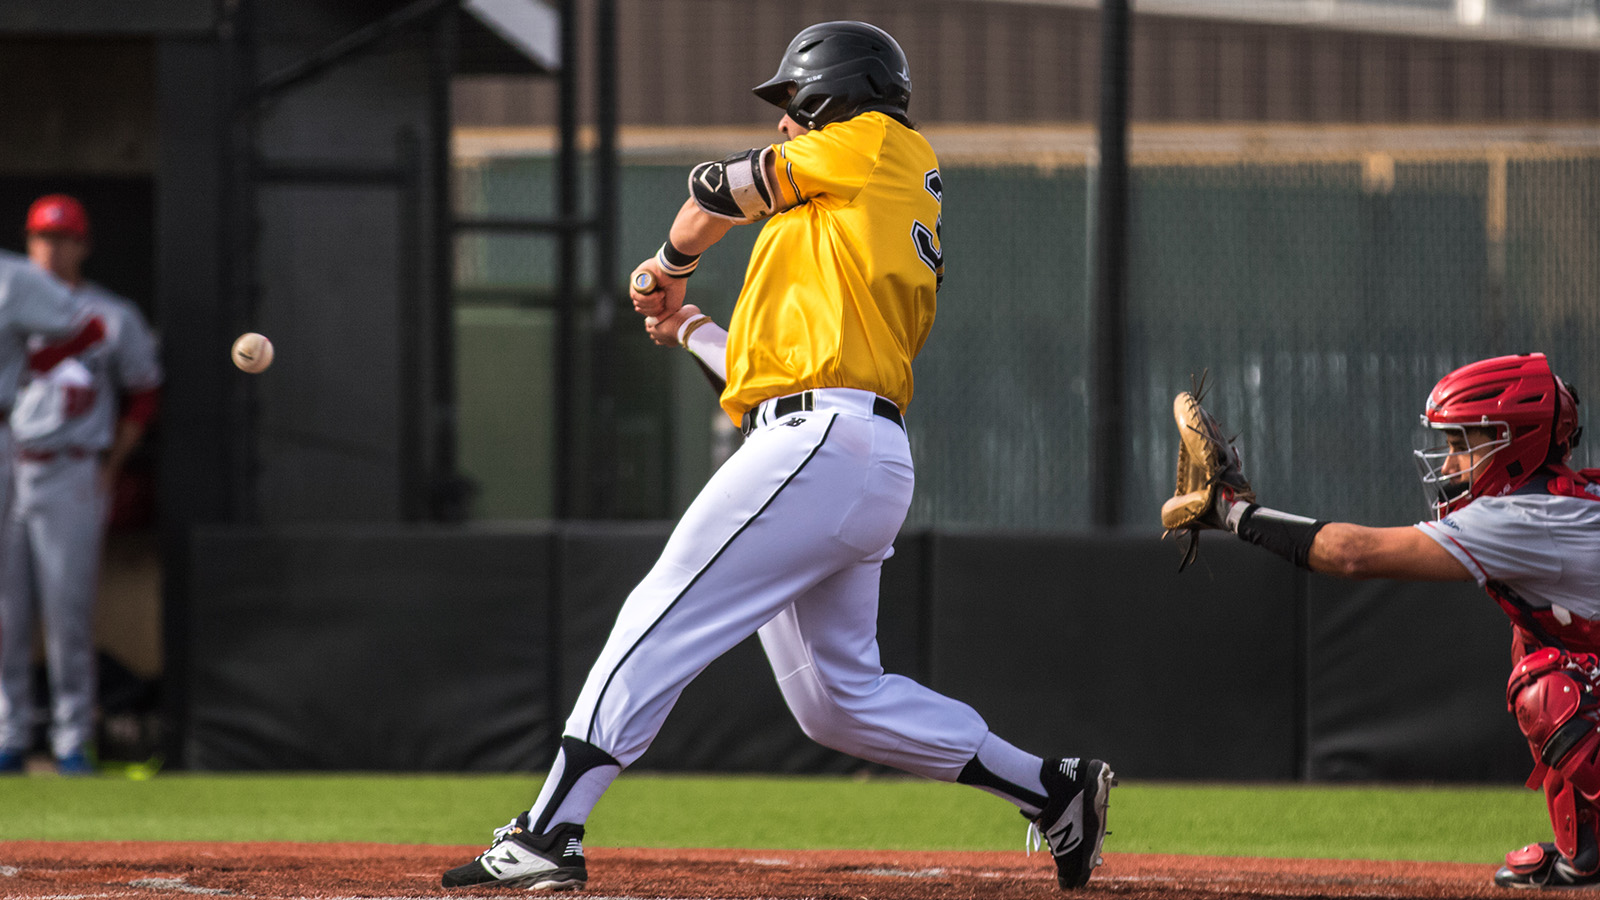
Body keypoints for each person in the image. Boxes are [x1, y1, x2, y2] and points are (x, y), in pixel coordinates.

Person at [442, 21, 1115, 893]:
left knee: (658, 612)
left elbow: (714, 190)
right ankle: (1051, 788)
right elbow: (773, 373)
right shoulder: (835, 221)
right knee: (838, 701)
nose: (787, 122)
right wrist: (688, 326)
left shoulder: (875, 142)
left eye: (795, 102)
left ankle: (548, 831)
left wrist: (667, 262)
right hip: (840, 446)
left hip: (825, 444)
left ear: (835, 96)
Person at [1179, 351, 1600, 889]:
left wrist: (1232, 511)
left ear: (1512, 442)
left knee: (1549, 687)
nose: (1448, 466)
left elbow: (1355, 554)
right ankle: (1585, 853)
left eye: (1461, 445)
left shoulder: (1523, 517)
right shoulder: (1557, 503)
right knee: (1535, 647)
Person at [0, 195, 160, 776]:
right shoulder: (10, 299)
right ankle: (8, 735)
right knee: (7, 612)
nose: (52, 247)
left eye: (64, 238)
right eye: (43, 236)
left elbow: (145, 389)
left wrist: (113, 463)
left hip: (72, 465)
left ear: (84, 245)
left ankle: (72, 739)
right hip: (11, 460)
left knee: (67, 611)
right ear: (29, 241)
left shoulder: (110, 314)